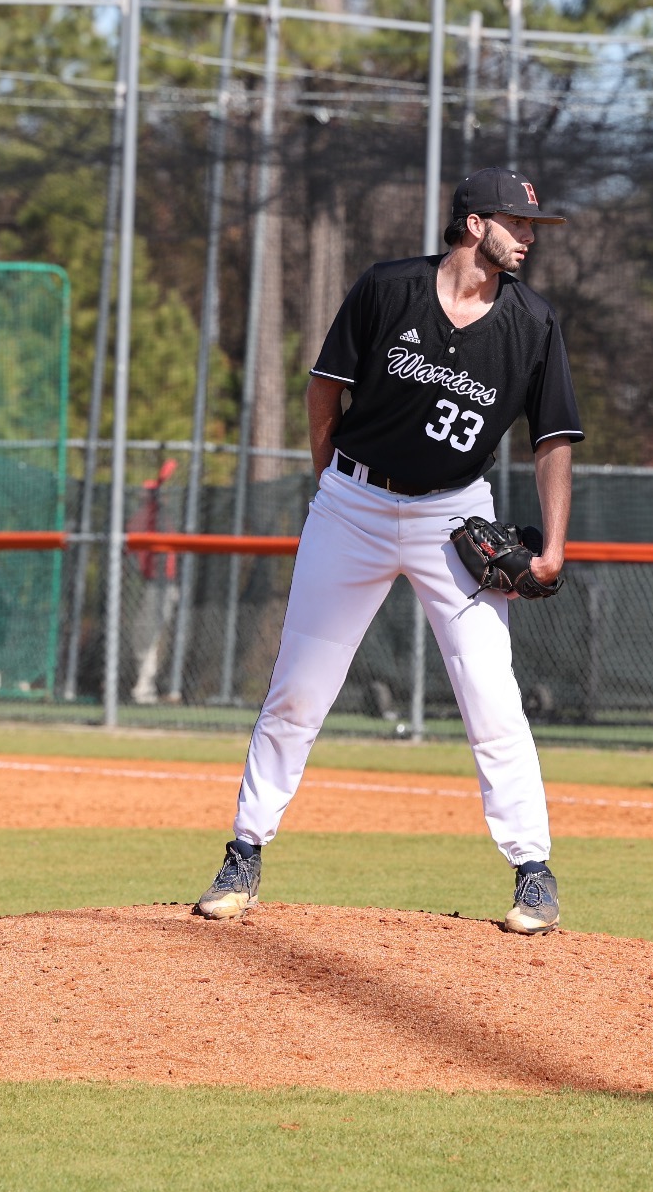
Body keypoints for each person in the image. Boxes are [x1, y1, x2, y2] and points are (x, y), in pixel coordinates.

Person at [192, 167, 581, 934]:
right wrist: (332, 483)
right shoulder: (388, 289)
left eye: (532, 226)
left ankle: (533, 870)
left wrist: (555, 546)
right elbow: (324, 389)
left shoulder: (533, 323)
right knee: (299, 688)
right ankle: (244, 850)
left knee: (490, 693)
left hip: (456, 516)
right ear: (475, 225)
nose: (528, 237)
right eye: (516, 222)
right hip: (354, 505)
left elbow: (554, 440)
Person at [129, 459, 179, 706]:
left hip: (163, 585)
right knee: (144, 636)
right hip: (149, 584)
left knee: (149, 636)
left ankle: (145, 686)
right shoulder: (144, 516)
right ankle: (145, 685)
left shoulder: (161, 517)